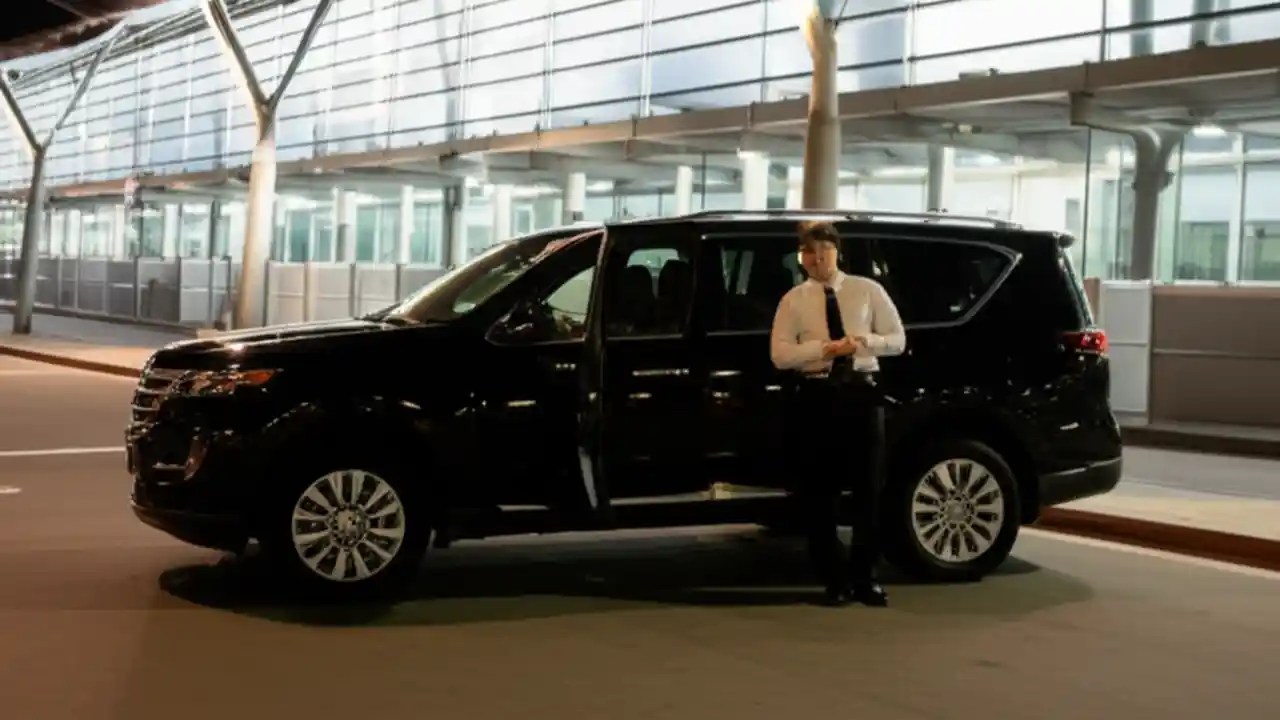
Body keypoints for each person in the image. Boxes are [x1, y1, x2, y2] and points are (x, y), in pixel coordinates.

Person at [770, 220, 906, 607]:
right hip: (816, 397)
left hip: (862, 395)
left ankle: (866, 577)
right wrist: (822, 350)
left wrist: (865, 342)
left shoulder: (867, 290)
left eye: (823, 251)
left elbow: (898, 340)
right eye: (808, 253)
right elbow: (780, 354)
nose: (816, 259)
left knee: (869, 491)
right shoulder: (793, 299)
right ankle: (834, 580)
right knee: (820, 494)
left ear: (836, 251)